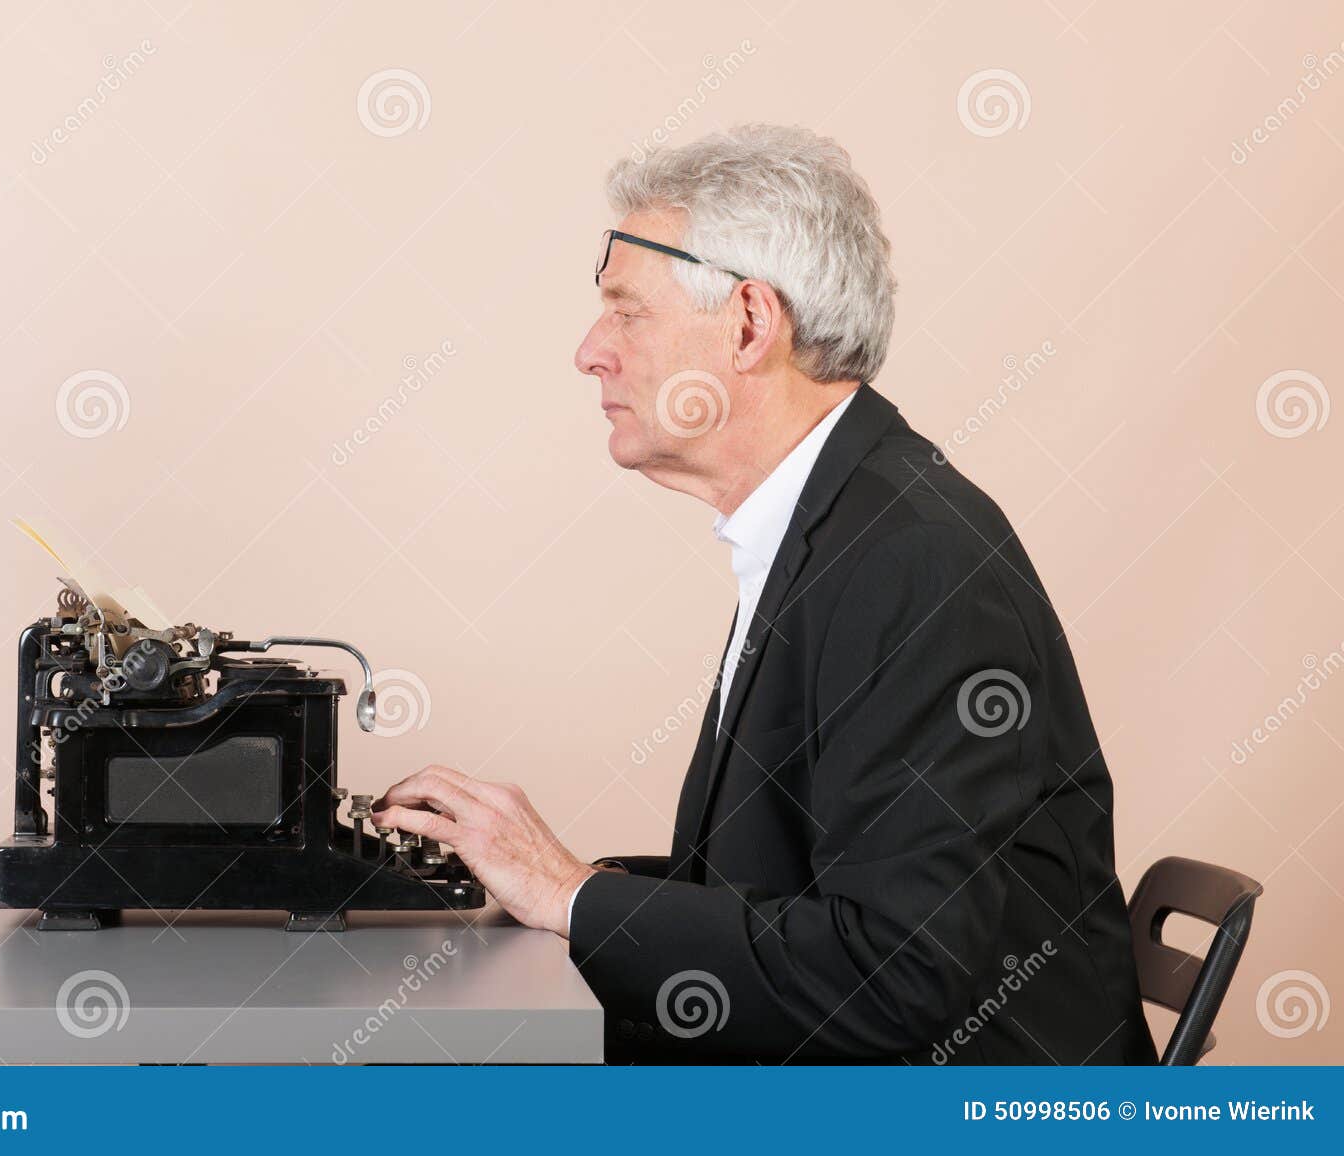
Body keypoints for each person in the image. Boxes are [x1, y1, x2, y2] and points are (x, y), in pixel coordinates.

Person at [371, 124, 1156, 1064]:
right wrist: (553, 881)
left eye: (626, 311)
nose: (590, 351)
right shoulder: (839, 524)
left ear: (749, 324)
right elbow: (790, 887)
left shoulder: (913, 562)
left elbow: (897, 974)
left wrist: (574, 896)